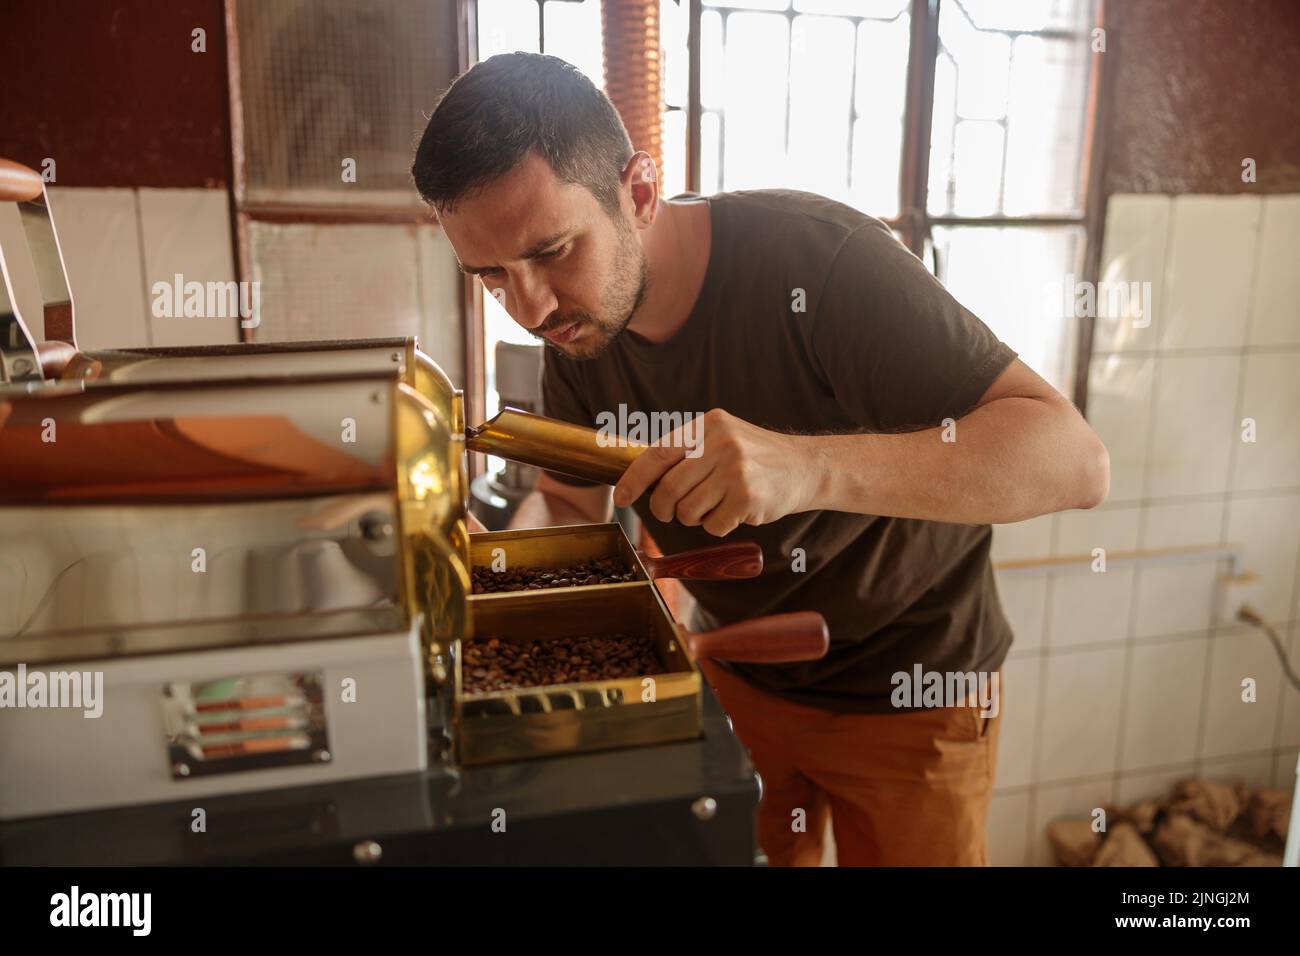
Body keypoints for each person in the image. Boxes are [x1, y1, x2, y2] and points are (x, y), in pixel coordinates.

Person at [412, 52, 1109, 866]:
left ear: (638, 192)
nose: (529, 306)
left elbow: (1075, 460)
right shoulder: (579, 324)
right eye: (491, 276)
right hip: (737, 676)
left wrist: (806, 467)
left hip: (910, 692)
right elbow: (568, 505)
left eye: (552, 252)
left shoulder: (819, 263)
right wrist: (508, 573)